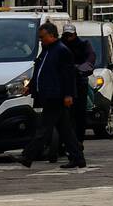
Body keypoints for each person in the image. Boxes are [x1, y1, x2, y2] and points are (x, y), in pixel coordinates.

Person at [18, 23, 86, 169]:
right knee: (65, 130)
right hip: (49, 94)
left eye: (42, 37)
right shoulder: (46, 51)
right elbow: (39, 72)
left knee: (44, 128)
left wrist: (68, 94)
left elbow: (68, 75)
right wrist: (29, 87)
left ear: (51, 35)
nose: (40, 40)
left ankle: (27, 156)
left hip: (56, 95)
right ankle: (78, 158)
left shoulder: (62, 51)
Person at [60, 23, 95, 149]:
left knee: (80, 113)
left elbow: (90, 59)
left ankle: (78, 141)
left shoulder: (84, 44)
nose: (69, 37)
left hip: (79, 80)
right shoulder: (60, 45)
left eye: (71, 35)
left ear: (75, 34)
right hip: (63, 81)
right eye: (66, 35)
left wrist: (80, 69)